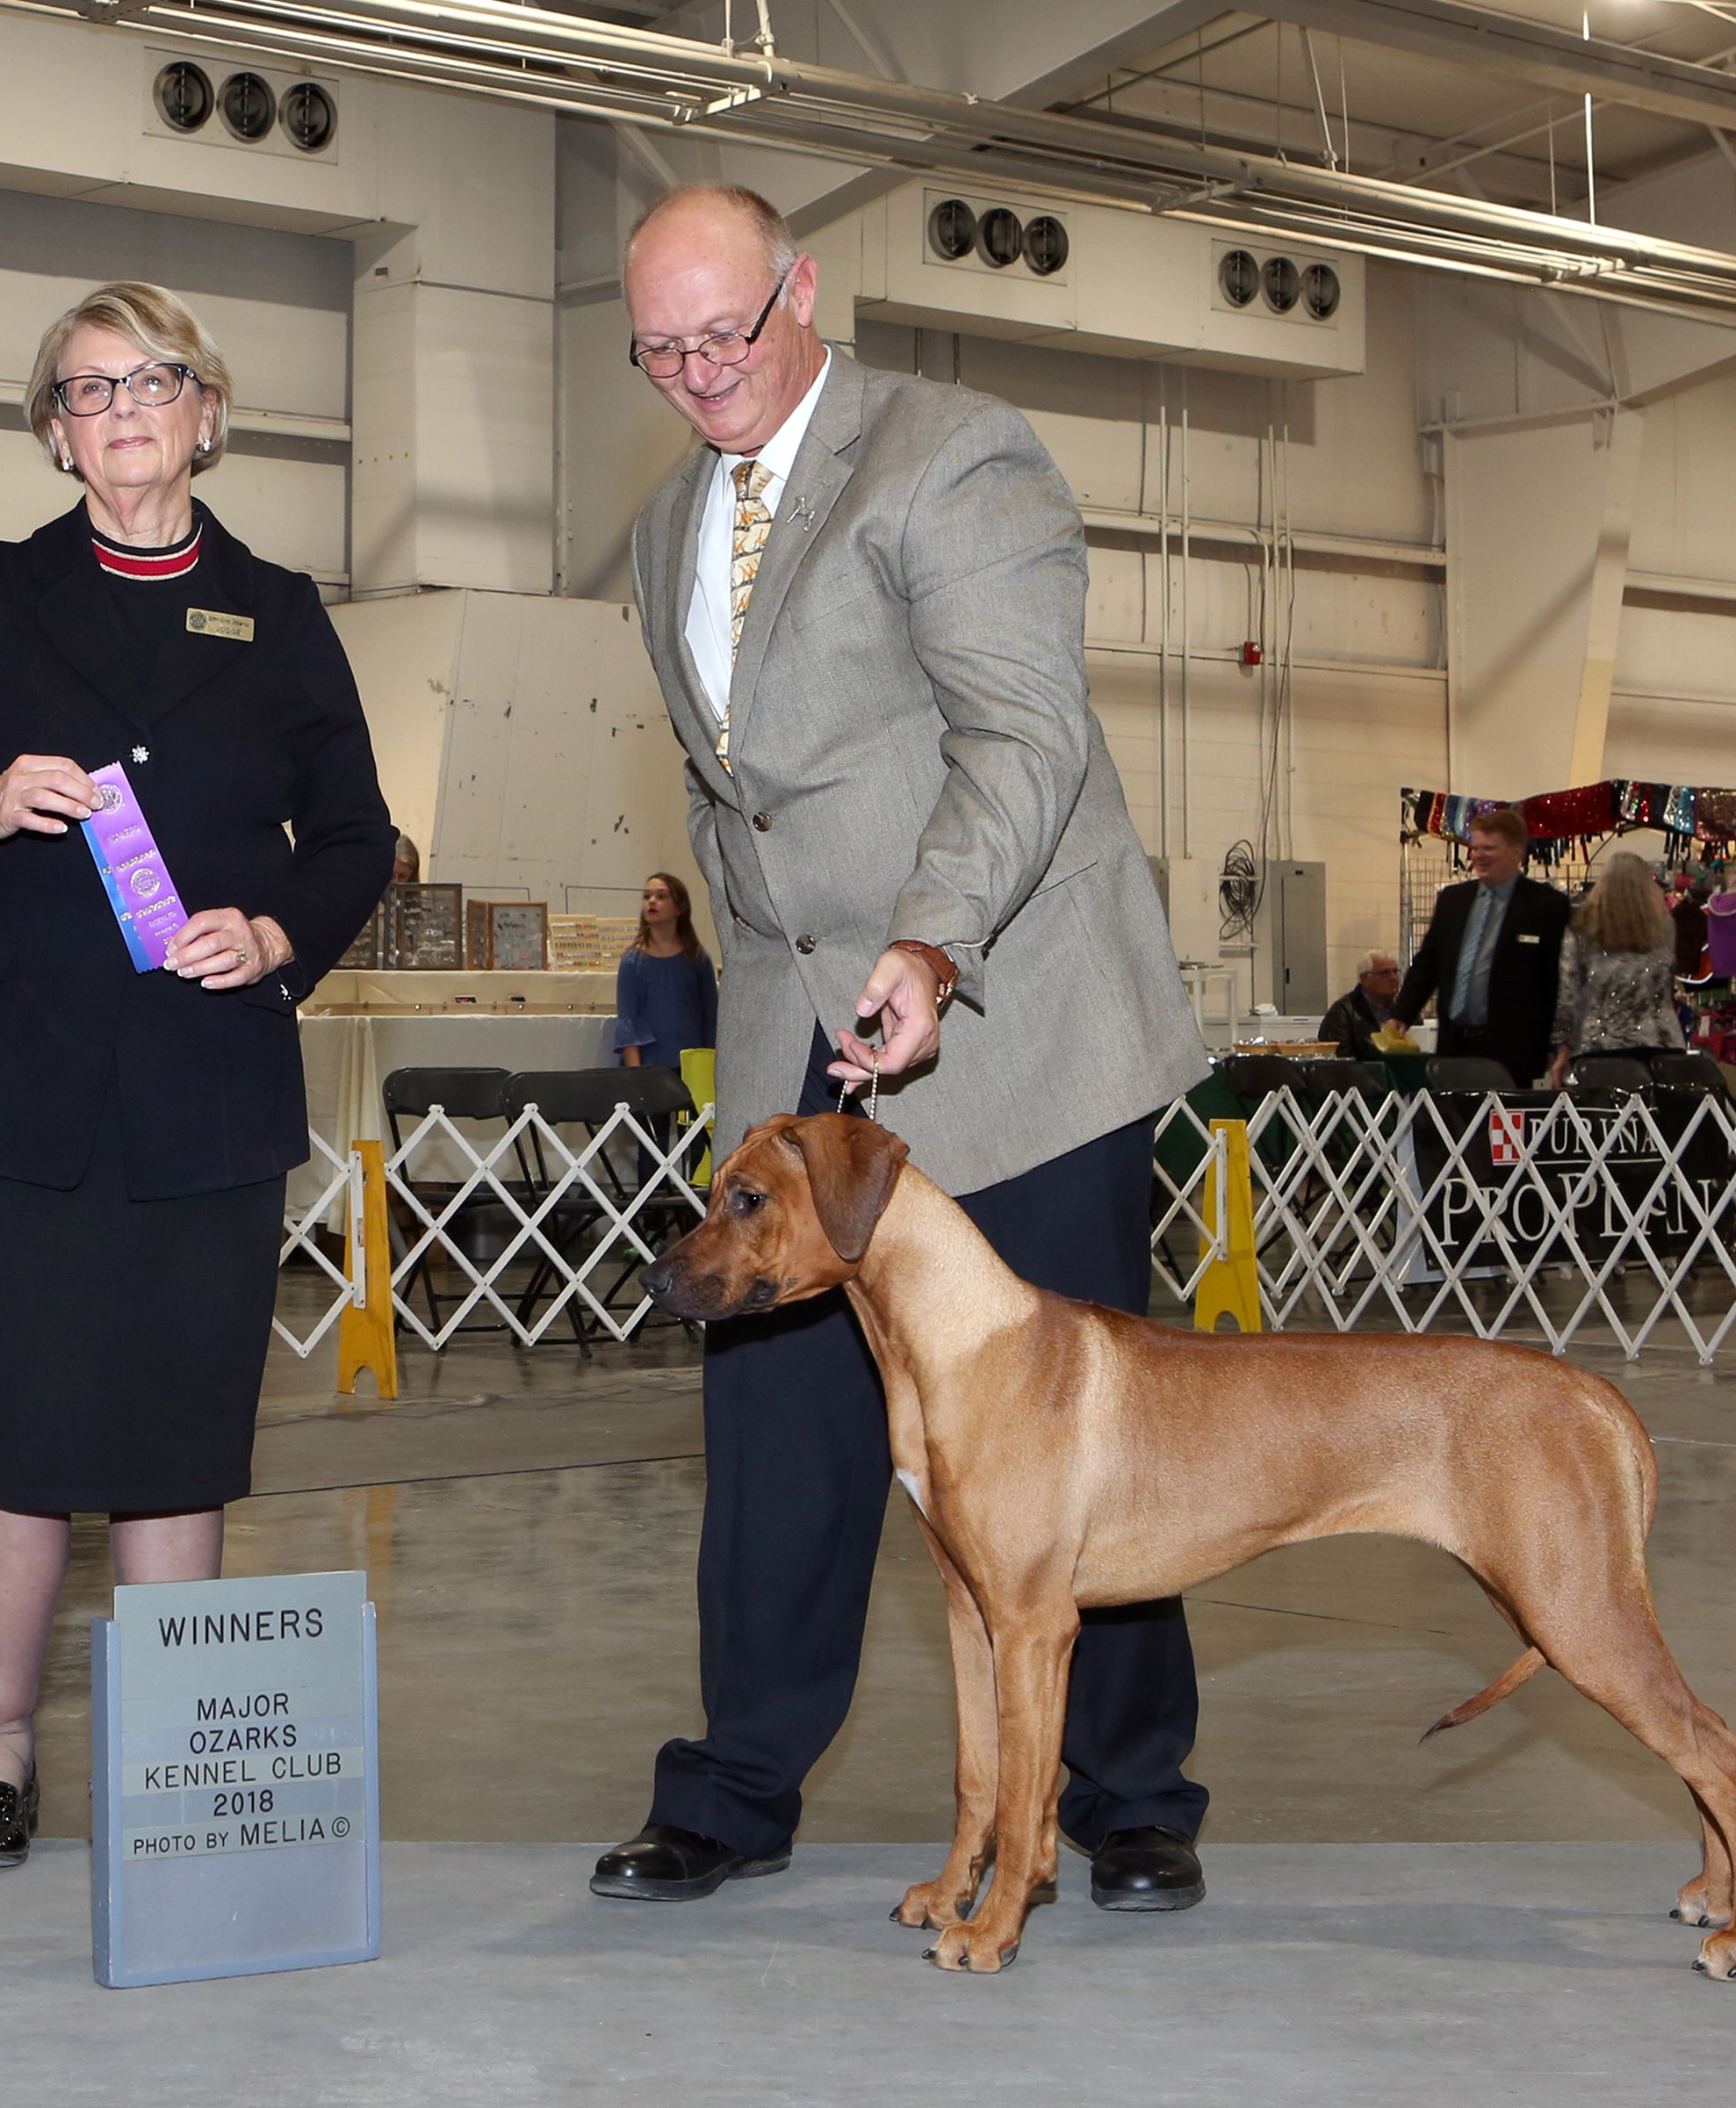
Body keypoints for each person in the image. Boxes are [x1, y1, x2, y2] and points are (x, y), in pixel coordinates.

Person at [598, 184, 1212, 1912]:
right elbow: (738, 812)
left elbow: (1022, 736)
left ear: (803, 291)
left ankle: (1131, 1793)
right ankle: (733, 1787)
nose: (702, 373)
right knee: (776, 1426)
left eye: (727, 332)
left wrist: (930, 944)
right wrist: (756, 1027)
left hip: (1008, 1018)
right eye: (662, 350)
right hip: (802, 1047)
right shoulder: (661, 533)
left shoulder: (952, 455)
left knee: (1085, 1435)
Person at [0, 283, 393, 1871]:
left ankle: (174, 1758)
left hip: (206, 1080)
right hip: (13, 1084)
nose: (124, 406)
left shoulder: (281, 613)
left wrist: (277, 931)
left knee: (178, 1432)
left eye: (155, 380)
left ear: (209, 412)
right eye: (87, 388)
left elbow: (359, 838)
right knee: (8, 1429)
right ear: (55, 433)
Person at [1393, 807, 1570, 1086]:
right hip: (1454, 1043)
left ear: (1517, 852)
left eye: (1489, 848)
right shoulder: (1453, 900)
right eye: (1475, 848)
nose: (1478, 855)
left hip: (1515, 1050)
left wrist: (1560, 1041)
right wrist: (1401, 1014)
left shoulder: (1547, 905)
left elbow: (1559, 980)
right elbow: (1428, 963)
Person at [1545, 851, 1684, 1084]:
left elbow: (1567, 993)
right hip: (1662, 1042)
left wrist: (1561, 1046)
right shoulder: (1665, 929)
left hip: (1597, 1046)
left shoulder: (1580, 929)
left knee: (1604, 1118)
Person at [614, 872, 717, 1072]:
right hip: (648, 1065)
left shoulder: (697, 959)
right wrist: (636, 1071)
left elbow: (711, 1019)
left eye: (661, 896)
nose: (652, 902)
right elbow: (628, 1020)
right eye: (647, 897)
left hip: (691, 1064)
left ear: (680, 907)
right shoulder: (631, 962)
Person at [1319, 949, 1402, 1060]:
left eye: (1395, 972)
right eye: (1385, 973)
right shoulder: (1343, 1013)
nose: (1394, 978)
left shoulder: (1405, 1011)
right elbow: (1339, 1061)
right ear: (1365, 979)